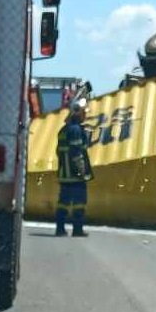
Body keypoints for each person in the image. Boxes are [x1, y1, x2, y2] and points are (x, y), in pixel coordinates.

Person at [55, 98, 94, 237]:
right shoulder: (76, 130)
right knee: (79, 202)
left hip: (64, 174)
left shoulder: (63, 130)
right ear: (77, 113)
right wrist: (82, 171)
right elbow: (77, 152)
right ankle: (77, 229)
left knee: (63, 202)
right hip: (75, 175)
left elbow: (58, 152)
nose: (85, 115)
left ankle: (60, 229)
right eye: (84, 112)